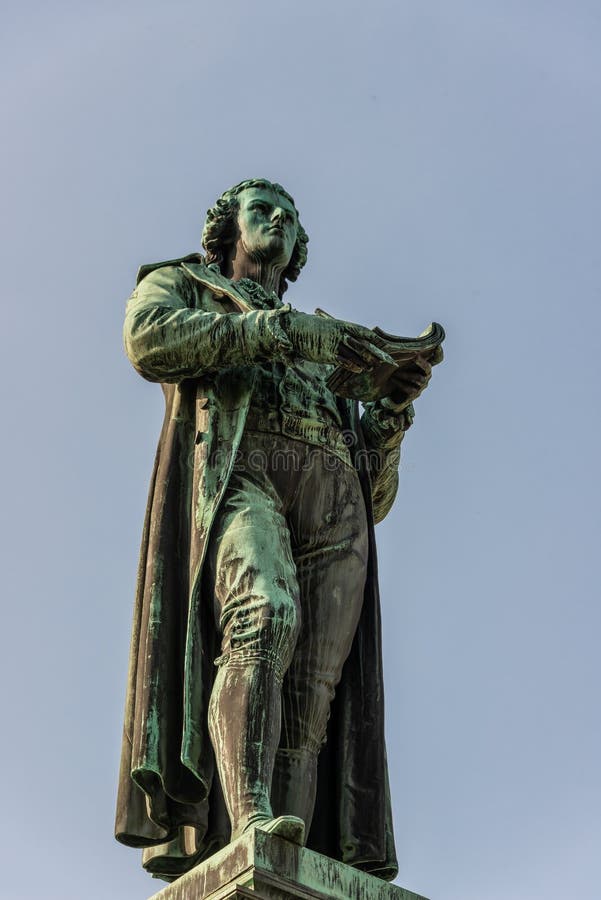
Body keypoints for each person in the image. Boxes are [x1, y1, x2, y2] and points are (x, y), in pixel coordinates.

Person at [115, 178, 434, 883]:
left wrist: (387, 418)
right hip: (243, 476)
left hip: (335, 507)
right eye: (265, 210)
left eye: (292, 217)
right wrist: (273, 332)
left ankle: (284, 862)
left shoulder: (327, 346)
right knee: (264, 613)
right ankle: (249, 815)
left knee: (314, 691)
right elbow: (147, 340)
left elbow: (375, 494)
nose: (281, 222)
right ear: (228, 226)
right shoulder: (185, 286)